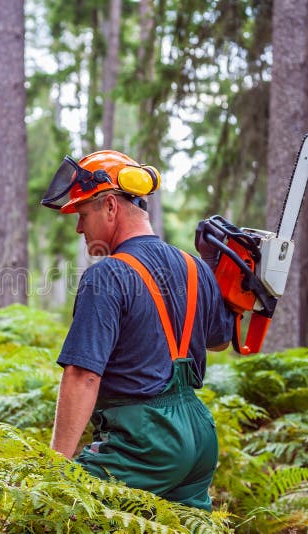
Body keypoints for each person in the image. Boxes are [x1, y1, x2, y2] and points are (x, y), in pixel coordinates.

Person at [40, 150, 234, 511]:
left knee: (58, 512)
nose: (80, 228)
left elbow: (82, 376)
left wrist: (55, 469)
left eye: (83, 215)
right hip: (199, 439)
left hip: (144, 444)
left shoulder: (106, 276)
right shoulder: (196, 268)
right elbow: (220, 341)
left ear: (110, 207)